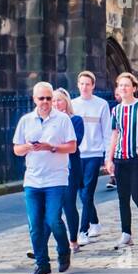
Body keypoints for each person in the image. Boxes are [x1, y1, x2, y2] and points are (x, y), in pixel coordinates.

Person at [12, 82, 77, 274]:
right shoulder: (26, 120)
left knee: (53, 219)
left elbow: (72, 147)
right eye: (42, 98)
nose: (46, 102)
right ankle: (42, 264)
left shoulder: (63, 119)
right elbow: (16, 149)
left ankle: (64, 249)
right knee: (35, 225)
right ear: (34, 99)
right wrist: (28, 147)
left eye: (49, 98)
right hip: (32, 179)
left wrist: (52, 147)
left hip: (56, 178)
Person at [105, 72, 138, 248]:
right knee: (122, 197)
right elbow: (115, 134)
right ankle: (126, 233)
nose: (123, 88)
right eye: (120, 85)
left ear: (134, 88)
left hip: (136, 157)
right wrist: (109, 158)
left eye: (127, 85)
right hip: (120, 158)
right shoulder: (116, 110)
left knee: (137, 195)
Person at [72, 70, 110, 243]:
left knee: (87, 192)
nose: (85, 87)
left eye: (88, 84)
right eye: (82, 83)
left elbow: (107, 132)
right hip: (77, 154)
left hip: (94, 153)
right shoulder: (72, 105)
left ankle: (83, 231)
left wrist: (107, 156)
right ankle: (95, 222)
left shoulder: (101, 104)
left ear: (93, 85)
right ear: (78, 85)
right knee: (82, 193)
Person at [53, 88, 86, 256]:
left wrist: (53, 144)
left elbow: (74, 143)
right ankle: (56, 243)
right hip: (52, 169)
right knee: (52, 209)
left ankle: (73, 239)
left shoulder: (76, 120)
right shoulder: (48, 121)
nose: (56, 104)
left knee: (69, 206)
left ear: (66, 102)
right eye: (53, 101)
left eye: (59, 100)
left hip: (70, 169)